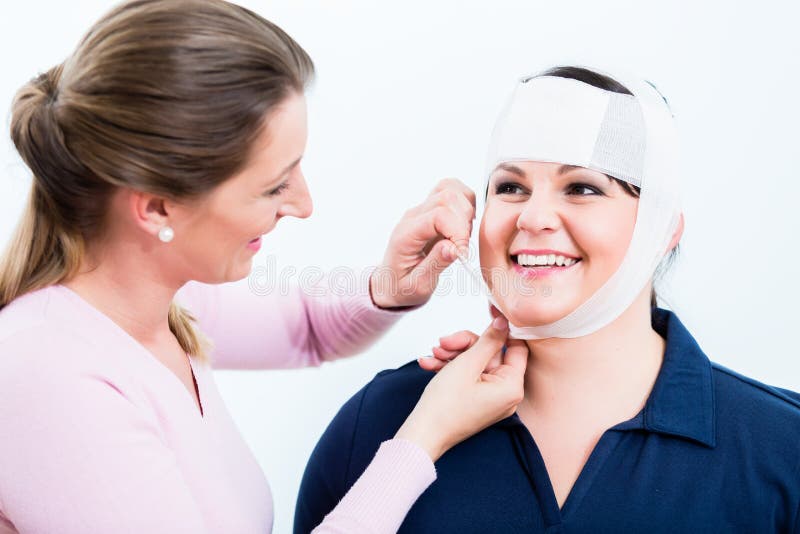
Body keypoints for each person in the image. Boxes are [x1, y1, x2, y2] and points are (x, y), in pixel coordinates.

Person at [0, 1, 528, 533]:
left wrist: (390, 287)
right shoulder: (50, 376)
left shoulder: (159, 299)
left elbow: (305, 331)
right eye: (274, 185)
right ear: (158, 207)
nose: (303, 203)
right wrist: (425, 436)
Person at [294, 66, 800, 533]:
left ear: (662, 228)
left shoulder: (782, 447)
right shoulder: (385, 423)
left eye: (582, 188)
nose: (532, 218)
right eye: (510, 187)